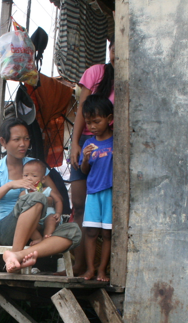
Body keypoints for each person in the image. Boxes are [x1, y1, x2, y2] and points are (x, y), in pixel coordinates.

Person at [0, 118, 81, 273]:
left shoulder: (35, 165)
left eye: (26, 139)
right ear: (3, 142)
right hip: (7, 229)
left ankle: (16, 256)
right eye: (17, 139)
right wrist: (9, 185)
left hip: (39, 227)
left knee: (74, 231)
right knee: (35, 198)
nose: (23, 144)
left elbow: (56, 197)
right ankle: (16, 255)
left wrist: (40, 199)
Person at [69, 40, 115, 275]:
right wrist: (75, 143)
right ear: (110, 50)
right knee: (79, 206)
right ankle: (80, 265)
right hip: (86, 145)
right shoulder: (96, 72)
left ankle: (101, 268)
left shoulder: (130, 76)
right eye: (114, 49)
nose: (117, 54)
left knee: (106, 224)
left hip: (108, 151)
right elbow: (82, 110)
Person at [78, 95, 114, 281]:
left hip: (110, 192)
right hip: (92, 192)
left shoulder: (116, 142)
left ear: (109, 119)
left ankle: (102, 270)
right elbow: (85, 170)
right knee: (91, 232)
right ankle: (91, 269)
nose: (92, 126)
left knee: (108, 233)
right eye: (88, 122)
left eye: (96, 121)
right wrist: (84, 158)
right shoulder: (88, 144)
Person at [17, 159, 63, 244]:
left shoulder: (47, 190)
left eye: (34, 176)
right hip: (33, 219)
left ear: (43, 179)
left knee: (51, 220)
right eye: (26, 175)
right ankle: (38, 238)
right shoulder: (23, 194)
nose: (29, 178)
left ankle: (47, 238)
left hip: (48, 216)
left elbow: (58, 201)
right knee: (27, 225)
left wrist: (58, 213)